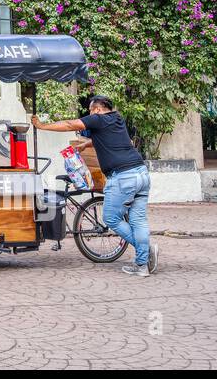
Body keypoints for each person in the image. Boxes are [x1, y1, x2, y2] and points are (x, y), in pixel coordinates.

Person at [32, 95, 155, 276]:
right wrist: (87, 144)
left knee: (111, 218)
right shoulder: (117, 118)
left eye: (90, 110)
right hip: (141, 174)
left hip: (122, 177)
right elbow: (113, 139)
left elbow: (69, 125)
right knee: (138, 221)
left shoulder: (98, 118)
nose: (89, 114)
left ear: (97, 109)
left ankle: (145, 250)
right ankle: (142, 266)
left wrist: (42, 126)